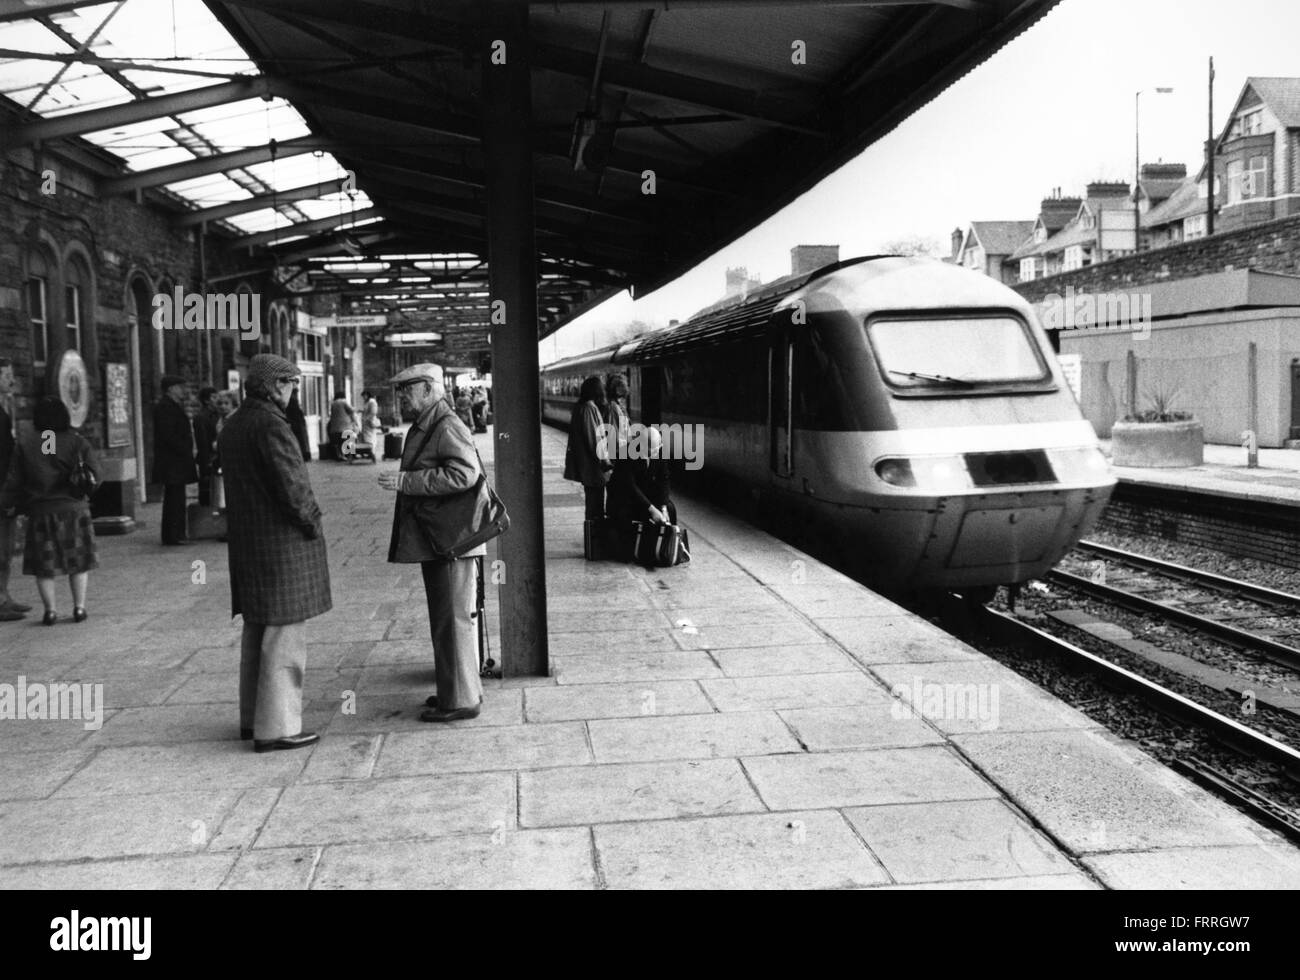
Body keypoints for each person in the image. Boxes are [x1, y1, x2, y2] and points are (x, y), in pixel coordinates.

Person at [219, 354, 331, 753]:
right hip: (280, 546)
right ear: (274, 385)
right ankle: (278, 727)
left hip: (249, 544)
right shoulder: (272, 425)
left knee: (258, 633)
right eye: (290, 383)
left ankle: (253, 719)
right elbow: (293, 488)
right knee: (284, 638)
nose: (293, 391)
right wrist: (312, 521)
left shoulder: (235, 424)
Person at [378, 363, 484, 723]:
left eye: (408, 389)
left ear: (428, 389)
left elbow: (465, 473)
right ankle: (456, 688)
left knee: (452, 619)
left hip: (452, 539)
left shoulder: (446, 425)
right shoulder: (431, 423)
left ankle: (460, 702)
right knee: (446, 618)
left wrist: (408, 482)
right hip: (440, 537)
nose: (403, 397)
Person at [0, 397, 99, 625]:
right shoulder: (77, 442)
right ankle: (79, 608)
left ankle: (51, 611)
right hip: (74, 511)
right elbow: (96, 475)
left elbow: (14, 481)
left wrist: (6, 503)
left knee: (45, 567)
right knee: (78, 563)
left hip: (41, 512)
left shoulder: (26, 444)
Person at [0, 359, 32, 621]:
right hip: (1, 490)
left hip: (6, 489)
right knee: (1, 548)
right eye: (5, 375)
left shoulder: (4, 409)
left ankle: (4, 595)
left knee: (6, 549)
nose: (10, 380)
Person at [152, 374, 197, 545]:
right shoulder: (165, 407)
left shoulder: (173, 406)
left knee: (177, 497)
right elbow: (169, 435)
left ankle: (177, 532)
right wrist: (184, 448)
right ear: (171, 389)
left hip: (175, 460)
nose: (184, 390)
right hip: (172, 461)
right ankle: (173, 534)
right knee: (174, 498)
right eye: (180, 386)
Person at [606, 425, 676, 527]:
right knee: (624, 513)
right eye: (650, 451)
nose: (654, 453)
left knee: (670, 508)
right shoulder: (625, 452)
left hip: (643, 494)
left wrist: (663, 507)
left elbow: (664, 479)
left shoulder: (660, 451)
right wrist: (652, 509)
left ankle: (667, 540)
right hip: (624, 496)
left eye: (656, 450)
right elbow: (630, 486)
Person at [563, 376, 612, 520]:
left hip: (589, 466)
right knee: (595, 508)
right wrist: (606, 463)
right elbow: (594, 440)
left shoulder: (582, 407)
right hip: (593, 468)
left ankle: (593, 538)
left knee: (593, 506)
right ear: (597, 390)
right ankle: (594, 539)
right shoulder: (589, 408)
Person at [195, 387, 220, 506]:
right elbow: (202, 441)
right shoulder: (201, 417)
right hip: (209, 458)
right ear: (207, 400)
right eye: (214, 397)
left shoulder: (217, 414)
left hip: (216, 456)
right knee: (207, 489)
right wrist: (206, 462)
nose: (217, 400)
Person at [285, 380, 312, 462]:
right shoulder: (292, 398)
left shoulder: (291, 397)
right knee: (301, 439)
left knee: (301, 439)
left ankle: (304, 454)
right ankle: (304, 454)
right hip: (296, 423)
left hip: (296, 422)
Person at [326, 393, 357, 461]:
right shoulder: (343, 401)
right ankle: (352, 455)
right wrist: (355, 409)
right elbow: (351, 410)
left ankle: (340, 455)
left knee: (339, 442)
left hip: (335, 426)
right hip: (345, 425)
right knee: (349, 439)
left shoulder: (333, 403)